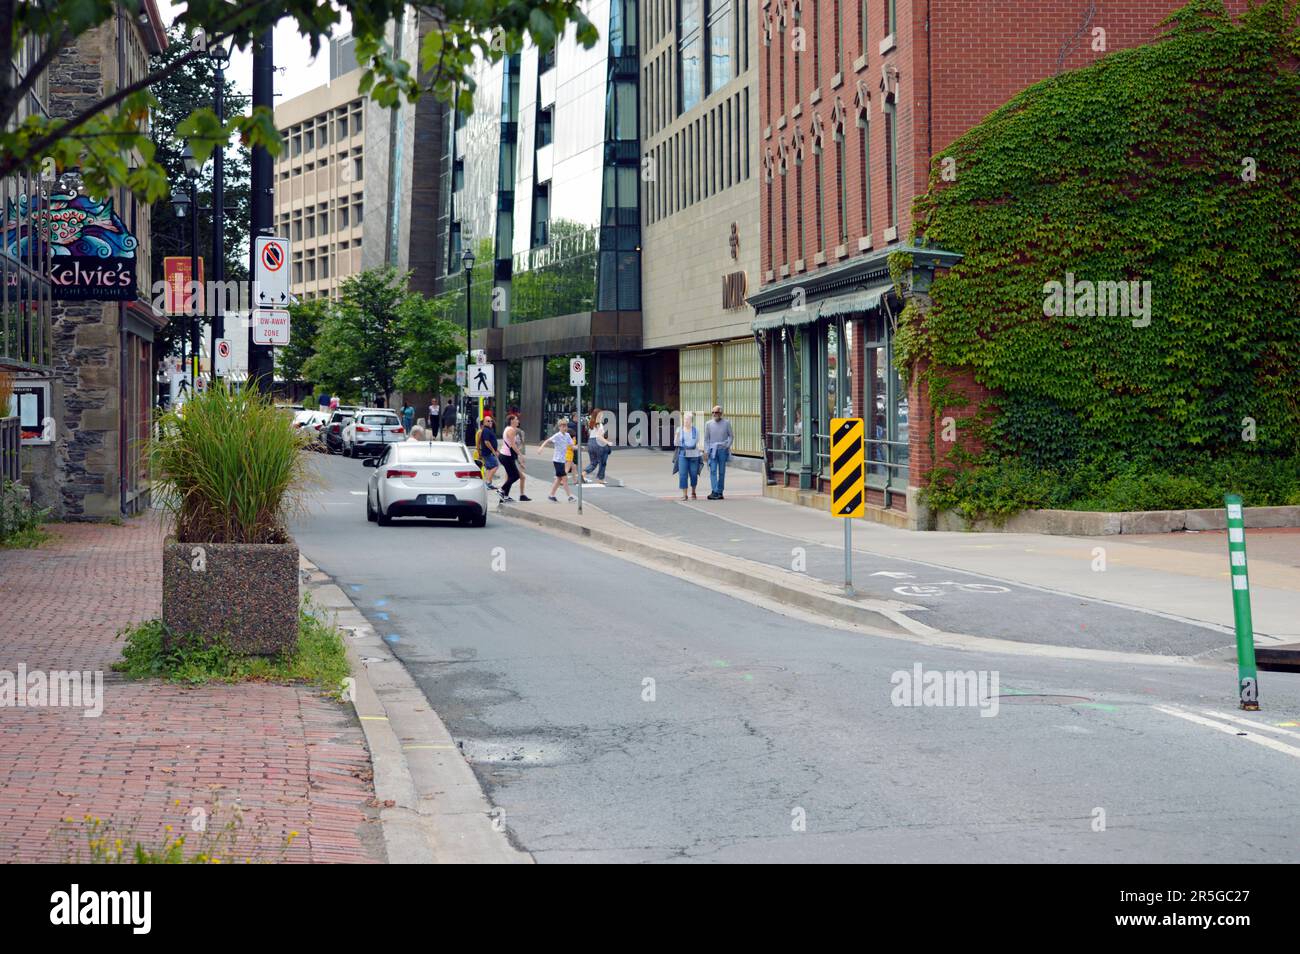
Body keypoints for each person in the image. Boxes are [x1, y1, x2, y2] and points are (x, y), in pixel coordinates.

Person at [540, 418, 576, 502]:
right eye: (563, 426)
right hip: (557, 460)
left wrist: (578, 447)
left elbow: (572, 446)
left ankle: (551, 495)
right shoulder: (557, 435)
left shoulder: (567, 435)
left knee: (559, 479)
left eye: (565, 426)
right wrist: (541, 448)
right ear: (559, 427)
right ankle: (570, 496)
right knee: (564, 478)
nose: (565, 427)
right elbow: (547, 441)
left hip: (562, 460)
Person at [704, 405, 734, 500]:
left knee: (722, 471)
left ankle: (720, 491)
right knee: (712, 470)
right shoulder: (708, 424)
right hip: (712, 450)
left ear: (721, 413)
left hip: (722, 450)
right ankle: (715, 491)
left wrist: (727, 445)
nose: (714, 414)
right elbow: (706, 439)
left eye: (716, 412)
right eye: (712, 412)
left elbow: (731, 436)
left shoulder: (726, 423)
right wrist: (706, 451)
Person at [498, 413, 529, 502]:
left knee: (511, 476)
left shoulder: (508, 429)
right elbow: (512, 445)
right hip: (507, 456)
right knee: (515, 476)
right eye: (516, 419)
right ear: (512, 421)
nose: (518, 421)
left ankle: (505, 496)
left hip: (505, 455)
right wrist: (520, 455)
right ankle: (501, 490)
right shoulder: (511, 430)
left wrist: (519, 460)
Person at [675, 411, 704, 501]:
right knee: (683, 474)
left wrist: (700, 451)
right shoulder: (679, 430)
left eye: (688, 419)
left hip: (694, 455)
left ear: (691, 420)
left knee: (693, 474)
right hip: (683, 454)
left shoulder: (696, 430)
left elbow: (698, 441)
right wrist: (677, 440)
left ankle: (693, 492)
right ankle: (684, 494)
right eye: (685, 419)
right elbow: (675, 442)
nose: (686, 421)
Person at [584, 408, 613, 483]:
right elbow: (599, 436)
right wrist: (607, 442)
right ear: (598, 415)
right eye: (601, 414)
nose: (602, 416)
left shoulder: (591, 424)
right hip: (598, 444)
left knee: (593, 462)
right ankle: (600, 479)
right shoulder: (599, 425)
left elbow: (591, 434)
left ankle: (583, 474)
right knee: (603, 461)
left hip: (590, 443)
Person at [477, 414, 500, 488]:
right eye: (488, 421)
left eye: (491, 421)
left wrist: (496, 450)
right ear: (484, 423)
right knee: (495, 466)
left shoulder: (488, 430)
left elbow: (491, 441)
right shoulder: (486, 430)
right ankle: (488, 483)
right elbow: (486, 442)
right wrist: (493, 451)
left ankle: (487, 484)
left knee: (489, 468)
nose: (490, 422)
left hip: (487, 453)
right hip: (488, 453)